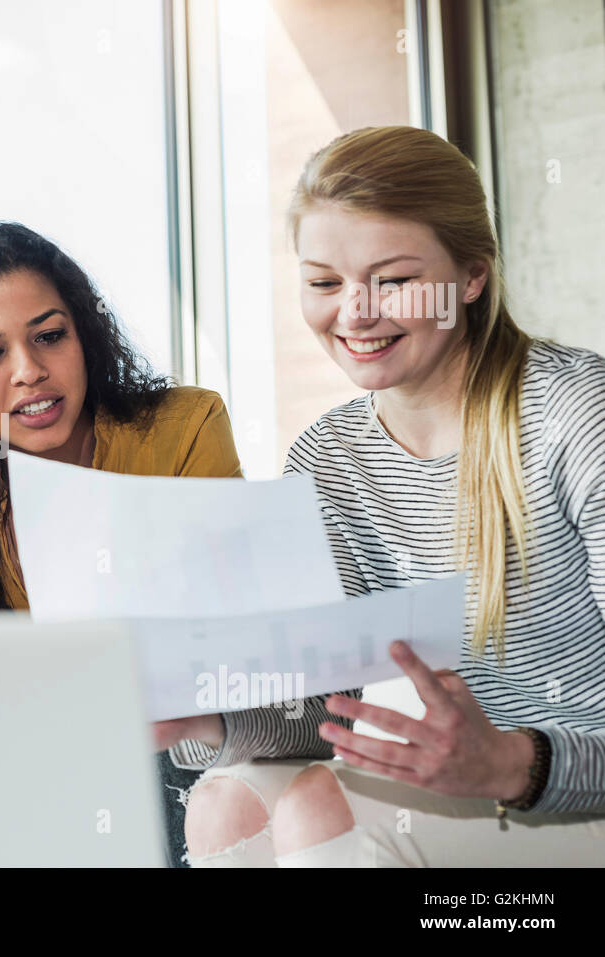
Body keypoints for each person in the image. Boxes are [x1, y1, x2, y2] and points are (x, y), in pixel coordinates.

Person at [171, 125, 605, 866]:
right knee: (224, 801)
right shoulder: (327, 458)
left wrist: (509, 761)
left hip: (571, 794)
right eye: (323, 282)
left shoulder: (576, 417)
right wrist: (202, 714)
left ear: (471, 276)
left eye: (393, 279)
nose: (355, 314)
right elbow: (321, 717)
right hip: (468, 793)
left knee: (315, 805)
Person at [0, 218, 244, 864]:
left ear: (81, 335)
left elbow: (201, 653)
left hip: (180, 752)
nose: (29, 371)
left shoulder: (185, 428)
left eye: (49, 337)